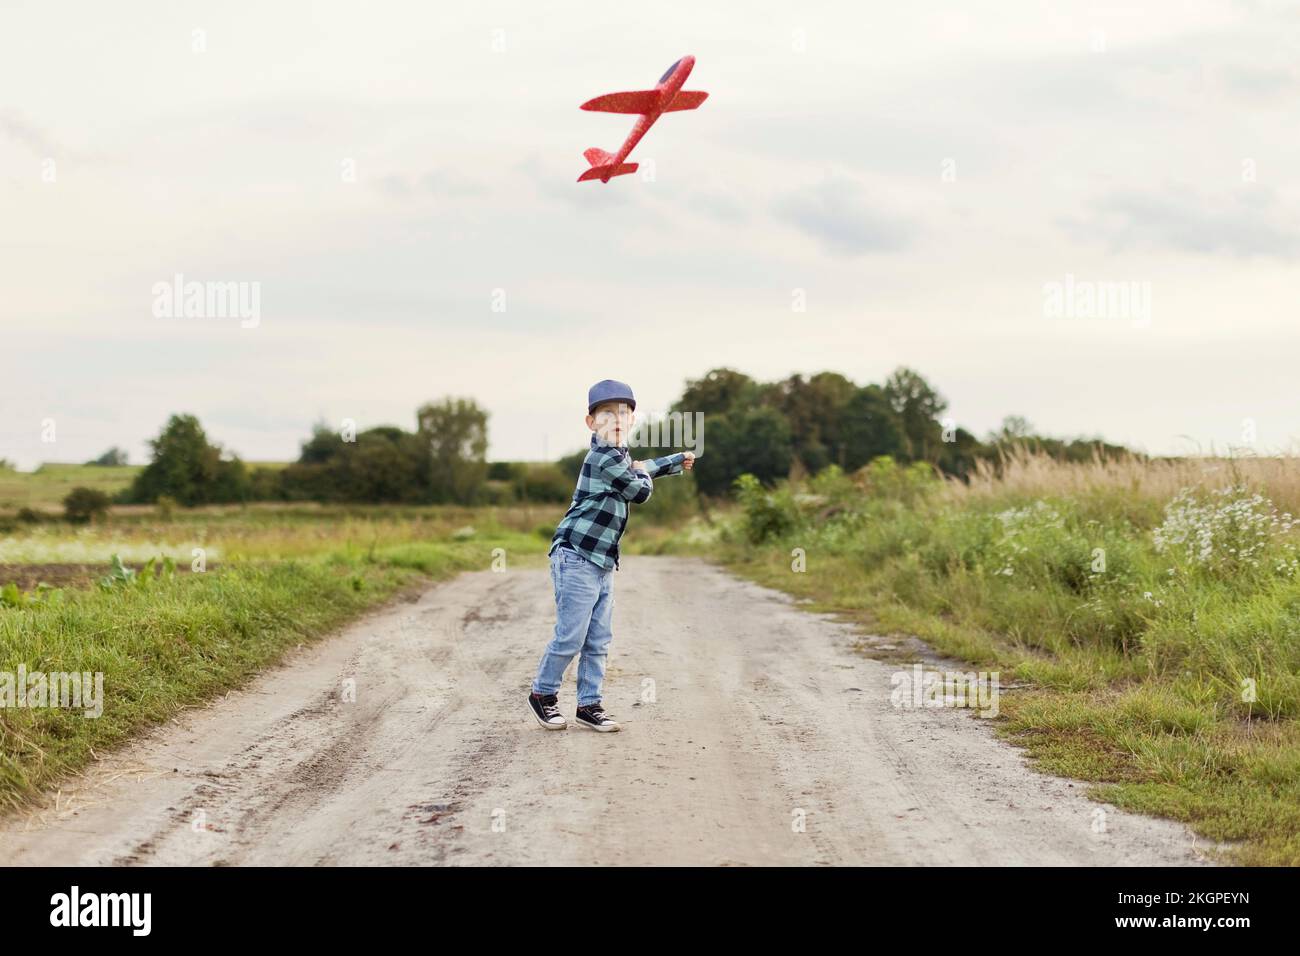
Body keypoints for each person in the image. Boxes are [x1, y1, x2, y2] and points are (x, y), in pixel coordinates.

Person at [527, 378, 695, 732]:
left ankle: (589, 705)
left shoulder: (621, 456)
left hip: (602, 560)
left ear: (632, 420)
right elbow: (638, 491)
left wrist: (675, 461)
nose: (616, 420)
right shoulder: (602, 456)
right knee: (571, 635)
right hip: (576, 554)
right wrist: (645, 473)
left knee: (598, 638)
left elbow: (641, 468)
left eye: (623, 413)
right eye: (605, 414)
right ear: (591, 423)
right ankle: (543, 694)